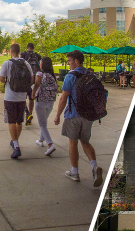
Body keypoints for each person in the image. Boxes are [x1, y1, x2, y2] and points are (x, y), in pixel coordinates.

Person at [54, 50, 103, 186]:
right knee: (85, 142)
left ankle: (74, 172)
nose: (68, 64)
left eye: (69, 61)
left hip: (73, 114)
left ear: (76, 61)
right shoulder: (90, 75)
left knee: (73, 142)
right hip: (88, 116)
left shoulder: (70, 76)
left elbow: (63, 98)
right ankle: (94, 166)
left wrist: (58, 115)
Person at [1, 45, 33, 159]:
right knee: (19, 121)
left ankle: (16, 146)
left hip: (10, 96)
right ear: (19, 52)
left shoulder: (7, 63)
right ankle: (15, 141)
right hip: (22, 97)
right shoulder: (26, 63)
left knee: (11, 121)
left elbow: (1, 78)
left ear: (11, 51)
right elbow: (31, 79)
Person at [33, 56, 61, 156]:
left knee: (42, 124)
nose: (39, 64)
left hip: (40, 101)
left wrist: (32, 94)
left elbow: (37, 84)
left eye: (40, 62)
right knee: (44, 122)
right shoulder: (52, 75)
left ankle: (50, 144)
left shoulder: (40, 73)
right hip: (50, 102)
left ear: (43, 64)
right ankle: (41, 140)